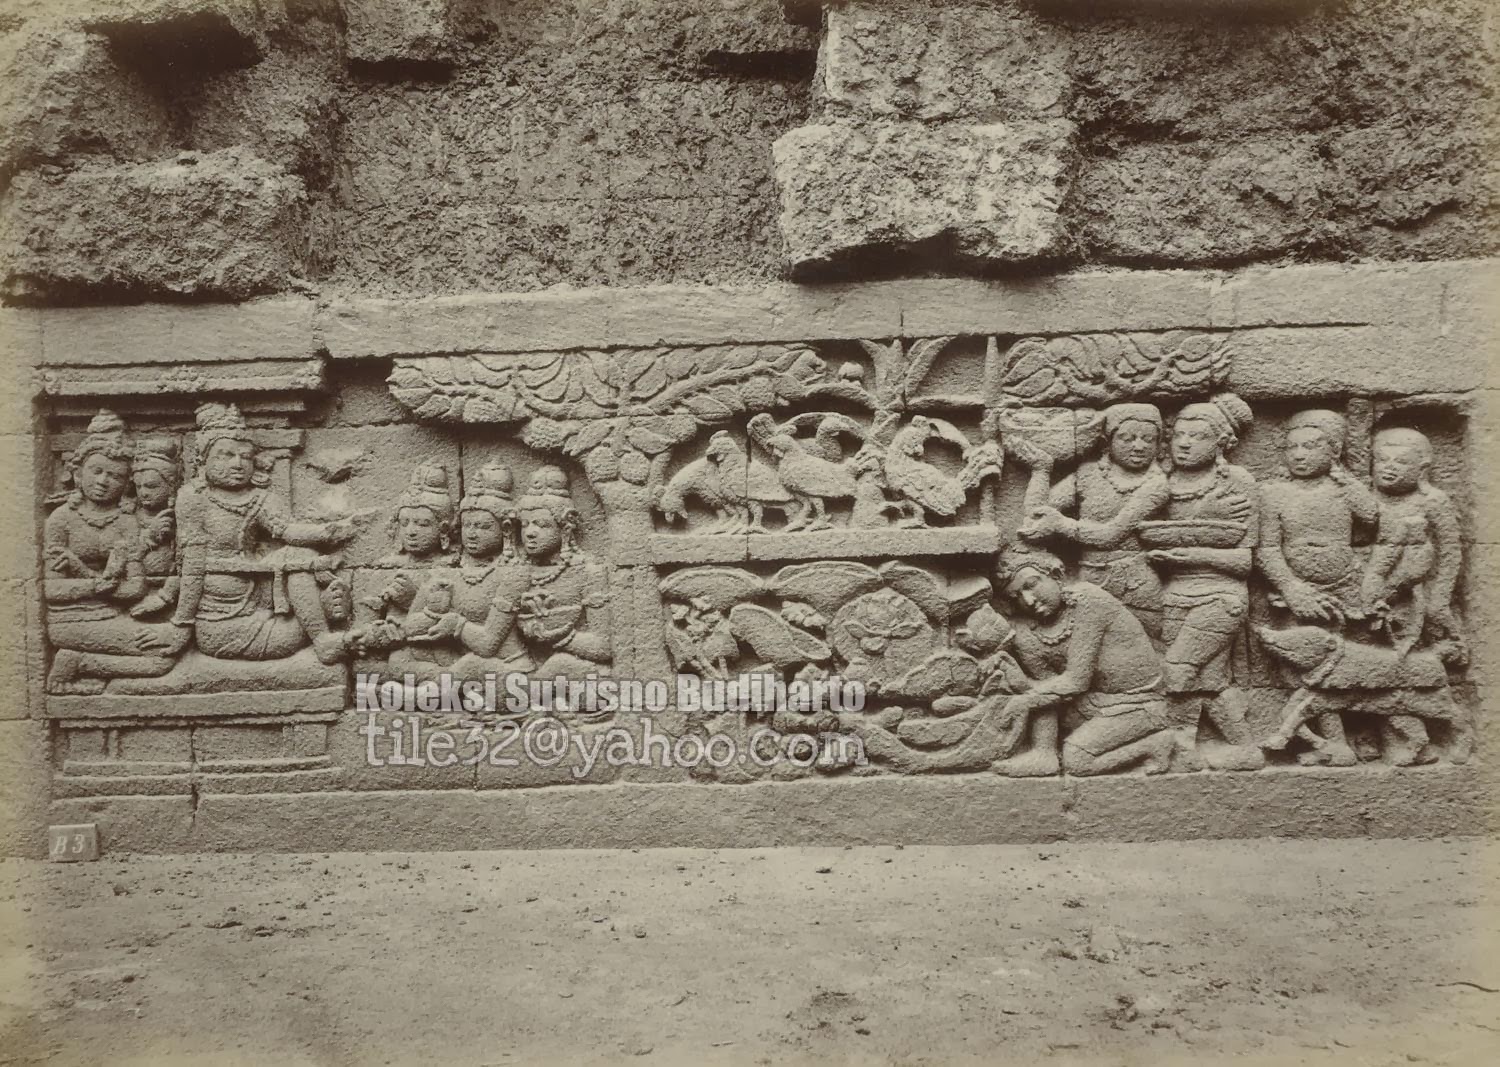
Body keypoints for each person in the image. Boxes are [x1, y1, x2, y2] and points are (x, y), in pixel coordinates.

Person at [848, 546, 1176, 777]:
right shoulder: (1034, 629)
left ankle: (1153, 746)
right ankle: (1042, 753)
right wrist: (1012, 669)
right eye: (1017, 597)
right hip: (1096, 704)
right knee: (1007, 699)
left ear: (1057, 574)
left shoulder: (1090, 601)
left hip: (1138, 704)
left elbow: (1075, 681)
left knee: (1077, 759)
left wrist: (1025, 700)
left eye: (1032, 585)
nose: (1029, 601)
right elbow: (1046, 688)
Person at [171, 403, 356, 664]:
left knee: (298, 553)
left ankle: (322, 638)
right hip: (219, 613)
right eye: (225, 455)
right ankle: (321, 608)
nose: (238, 464)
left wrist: (326, 532)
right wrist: (182, 624)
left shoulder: (260, 498)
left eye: (245, 456)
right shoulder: (193, 498)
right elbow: (192, 563)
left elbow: (285, 530)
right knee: (284, 635)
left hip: (259, 591)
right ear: (203, 459)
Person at [1256, 408, 1378, 766]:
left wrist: (1346, 479)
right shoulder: (1272, 493)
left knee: (1362, 663)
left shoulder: (1343, 490)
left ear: (1334, 451)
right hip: (1296, 594)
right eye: (1292, 447)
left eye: (1310, 446)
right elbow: (1266, 549)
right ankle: (1329, 739)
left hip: (1348, 589)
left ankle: (1368, 729)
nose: (1299, 454)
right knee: (1306, 671)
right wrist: (1292, 588)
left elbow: (1371, 516)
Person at [1150, 393, 1264, 770]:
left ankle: (1181, 746)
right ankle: (1243, 748)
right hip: (1172, 593)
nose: (1183, 443)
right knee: (1209, 679)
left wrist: (1193, 553)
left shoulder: (1238, 483)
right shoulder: (1161, 481)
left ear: (1221, 443)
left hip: (1220, 595)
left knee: (1178, 670)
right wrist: (1202, 519)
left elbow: (1243, 561)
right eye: (1178, 435)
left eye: (1197, 436)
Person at [44, 413, 188, 693]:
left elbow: (135, 588)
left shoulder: (126, 521)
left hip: (110, 615)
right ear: (77, 473)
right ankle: (74, 664)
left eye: (115, 476)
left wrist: (99, 580)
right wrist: (96, 584)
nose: (103, 481)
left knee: (161, 657)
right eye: (96, 471)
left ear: (126, 484)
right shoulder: (62, 520)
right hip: (69, 619)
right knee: (160, 660)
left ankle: (78, 661)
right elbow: (51, 590)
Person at [1011, 402, 1169, 641]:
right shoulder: (1087, 474)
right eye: (1127, 438)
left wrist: (1061, 525)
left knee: (1140, 650)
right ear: (1107, 443)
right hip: (1090, 582)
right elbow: (1036, 514)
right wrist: (1041, 470)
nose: (1138, 446)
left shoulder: (1156, 486)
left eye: (1148, 439)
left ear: (1159, 446)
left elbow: (1112, 534)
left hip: (1135, 587)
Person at [385, 463, 532, 685]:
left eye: (483, 527)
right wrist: (401, 625)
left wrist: (456, 624)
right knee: (399, 660)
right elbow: (414, 624)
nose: (472, 534)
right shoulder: (448, 571)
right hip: (456, 660)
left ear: (506, 530)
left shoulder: (513, 574)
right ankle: (444, 687)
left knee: (471, 665)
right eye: (467, 526)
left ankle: (431, 691)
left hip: (505, 666)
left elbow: (488, 644)